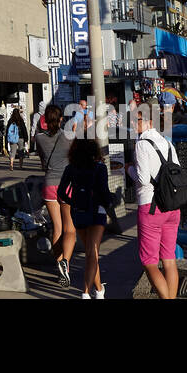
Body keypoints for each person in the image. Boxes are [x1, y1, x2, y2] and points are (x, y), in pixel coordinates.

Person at [130, 104, 182, 299]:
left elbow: (143, 179)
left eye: (139, 120)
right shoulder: (168, 143)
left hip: (150, 206)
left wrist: (129, 170)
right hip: (172, 207)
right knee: (169, 260)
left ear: (150, 122)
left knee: (149, 262)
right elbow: (176, 170)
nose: (134, 123)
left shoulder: (142, 144)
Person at [58, 137, 115, 299]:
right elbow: (104, 192)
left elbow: (61, 193)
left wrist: (73, 202)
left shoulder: (70, 168)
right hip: (97, 212)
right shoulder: (100, 168)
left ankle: (99, 290)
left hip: (78, 212)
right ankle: (85, 293)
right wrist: (109, 204)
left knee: (90, 253)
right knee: (92, 253)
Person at [33, 103, 76, 284]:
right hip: (66, 185)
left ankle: (59, 267)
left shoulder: (39, 138)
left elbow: (43, 162)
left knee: (57, 227)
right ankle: (66, 262)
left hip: (49, 184)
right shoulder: (68, 136)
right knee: (70, 228)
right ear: (60, 120)